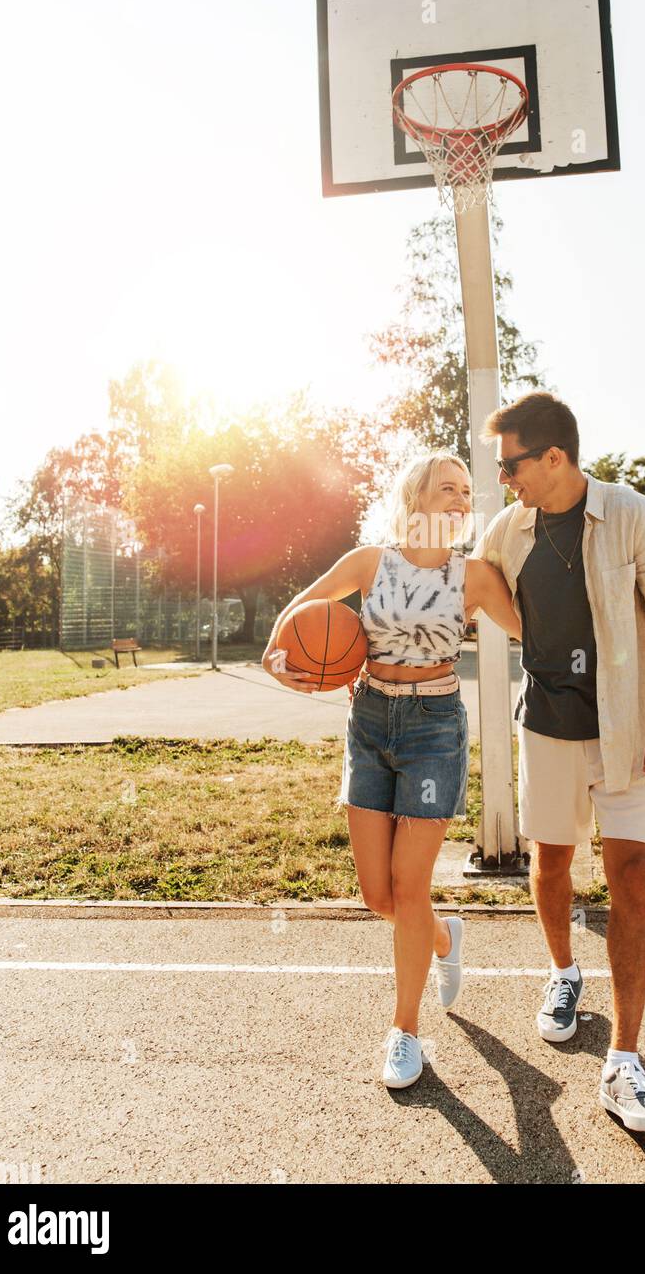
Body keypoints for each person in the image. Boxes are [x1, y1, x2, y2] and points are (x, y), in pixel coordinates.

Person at [470, 392, 645, 1132]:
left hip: (629, 727)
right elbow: (481, 580)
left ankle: (624, 1062)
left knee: (631, 873)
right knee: (551, 863)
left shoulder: (635, 515)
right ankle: (564, 974)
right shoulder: (509, 529)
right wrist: (529, 637)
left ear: (553, 457)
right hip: (547, 725)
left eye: (512, 465)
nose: (505, 479)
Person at [262, 453, 520, 1090]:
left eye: (467, 491)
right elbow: (298, 612)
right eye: (447, 489)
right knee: (379, 895)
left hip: (434, 728)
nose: (461, 499)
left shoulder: (477, 576)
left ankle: (405, 1032)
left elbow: (534, 631)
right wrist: (277, 659)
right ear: (417, 498)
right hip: (370, 722)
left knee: (409, 888)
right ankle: (441, 937)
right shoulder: (369, 562)